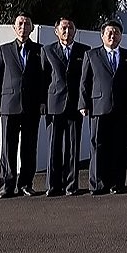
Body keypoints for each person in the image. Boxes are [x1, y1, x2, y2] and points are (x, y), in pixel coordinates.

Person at [79, 20, 127, 195]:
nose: (113, 36)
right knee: (98, 146)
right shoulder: (91, 55)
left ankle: (117, 183)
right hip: (98, 107)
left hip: (122, 108)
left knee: (120, 147)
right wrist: (83, 104)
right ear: (102, 35)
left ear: (121, 36)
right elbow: (85, 82)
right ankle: (97, 184)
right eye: (109, 32)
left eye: (116, 33)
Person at [0, 13, 45, 198]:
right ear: (14, 27)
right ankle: (7, 184)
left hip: (31, 106)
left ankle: (26, 184)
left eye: (27, 24)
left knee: (29, 147)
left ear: (32, 28)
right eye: (20, 24)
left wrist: (42, 102)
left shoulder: (39, 50)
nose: (23, 27)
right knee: (8, 147)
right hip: (9, 105)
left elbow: (43, 79)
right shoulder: (3, 50)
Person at [42, 17, 89, 196]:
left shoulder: (84, 51)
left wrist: (84, 102)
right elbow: (43, 78)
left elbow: (85, 79)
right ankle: (53, 186)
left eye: (70, 28)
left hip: (75, 105)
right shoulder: (47, 50)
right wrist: (42, 103)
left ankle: (71, 185)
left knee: (73, 147)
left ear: (75, 31)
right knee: (53, 147)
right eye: (63, 28)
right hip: (54, 105)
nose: (67, 31)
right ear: (56, 31)